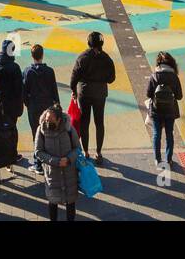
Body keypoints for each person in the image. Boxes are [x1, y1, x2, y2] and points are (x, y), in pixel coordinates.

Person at [69, 31, 116, 164]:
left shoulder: (83, 57)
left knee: (85, 121)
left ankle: (86, 151)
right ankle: (99, 152)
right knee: (99, 122)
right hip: (100, 93)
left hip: (84, 92)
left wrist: (73, 90)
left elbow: (74, 77)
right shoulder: (106, 58)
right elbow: (112, 78)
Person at [34, 105, 81, 222]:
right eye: (46, 119)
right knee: (52, 201)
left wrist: (69, 159)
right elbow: (38, 152)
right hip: (52, 174)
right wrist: (55, 161)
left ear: (59, 120)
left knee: (70, 202)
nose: (47, 122)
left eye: (50, 120)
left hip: (69, 173)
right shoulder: (41, 130)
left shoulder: (69, 129)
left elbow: (77, 148)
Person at [0, 38, 24, 177]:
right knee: (11, 130)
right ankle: (10, 157)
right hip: (10, 105)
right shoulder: (14, 67)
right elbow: (18, 88)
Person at [22, 44, 58, 174]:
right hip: (47, 107)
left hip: (34, 107)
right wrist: (56, 106)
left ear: (32, 56)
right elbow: (54, 91)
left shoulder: (27, 72)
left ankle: (37, 162)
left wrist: (28, 104)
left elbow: (24, 92)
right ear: (42, 55)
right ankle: (48, 160)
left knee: (35, 134)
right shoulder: (50, 71)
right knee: (48, 133)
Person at [146, 51, 183, 168]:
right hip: (170, 110)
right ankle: (168, 159)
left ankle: (157, 159)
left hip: (156, 110)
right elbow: (179, 96)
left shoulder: (154, 76)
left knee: (157, 134)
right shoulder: (174, 76)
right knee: (169, 134)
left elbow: (148, 94)